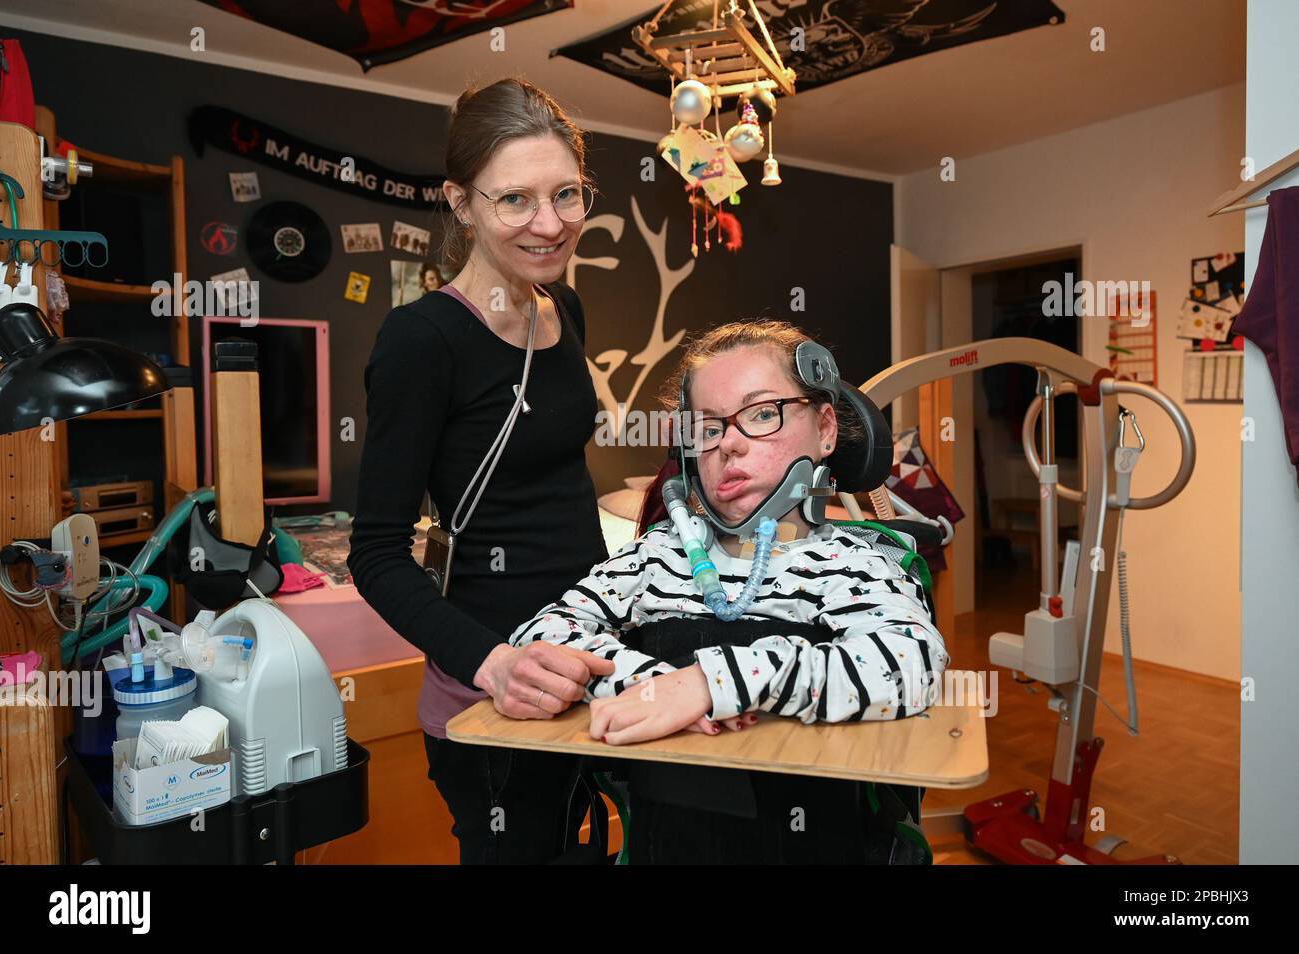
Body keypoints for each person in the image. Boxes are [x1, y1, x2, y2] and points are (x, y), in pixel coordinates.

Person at [507, 320, 949, 863]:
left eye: (762, 413)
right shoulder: (659, 556)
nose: (730, 444)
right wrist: (657, 689)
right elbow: (542, 635)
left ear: (826, 429)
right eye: (708, 427)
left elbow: (910, 663)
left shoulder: (853, 562)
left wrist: (713, 684)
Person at [349, 77, 615, 864]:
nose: (550, 224)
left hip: (589, 662)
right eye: (515, 201)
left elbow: (554, 487)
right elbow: (378, 554)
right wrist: (495, 666)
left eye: (567, 194)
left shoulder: (563, 310)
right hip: (494, 690)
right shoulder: (421, 340)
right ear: (460, 203)